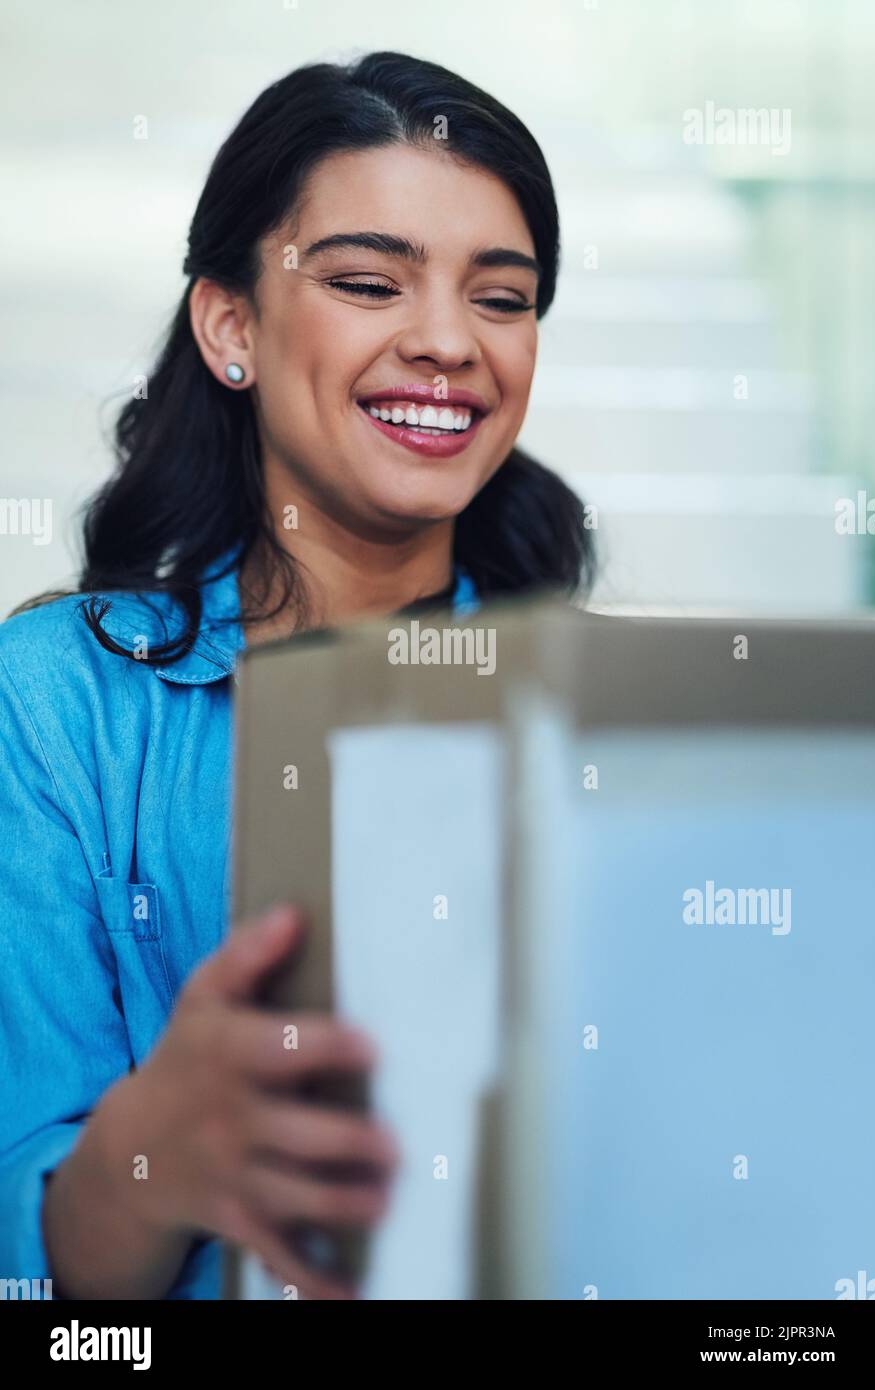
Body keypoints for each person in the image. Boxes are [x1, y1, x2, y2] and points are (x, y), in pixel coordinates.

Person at [0, 50, 592, 1300]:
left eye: (504, 298)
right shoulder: (54, 707)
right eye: (372, 282)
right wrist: (162, 1146)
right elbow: (33, 1277)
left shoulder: (595, 714)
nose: (448, 344)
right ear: (232, 327)